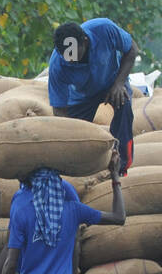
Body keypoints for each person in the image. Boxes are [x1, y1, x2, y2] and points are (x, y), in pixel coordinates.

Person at [47, 18, 140, 174]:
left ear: (85, 41)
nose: (73, 61)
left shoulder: (104, 29)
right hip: (82, 97)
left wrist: (118, 84)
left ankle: (121, 166)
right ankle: (83, 167)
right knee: (75, 132)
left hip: (113, 82)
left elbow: (132, 50)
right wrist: (68, 133)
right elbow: (59, 110)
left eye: (76, 55)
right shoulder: (57, 64)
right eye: (69, 58)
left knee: (123, 103)